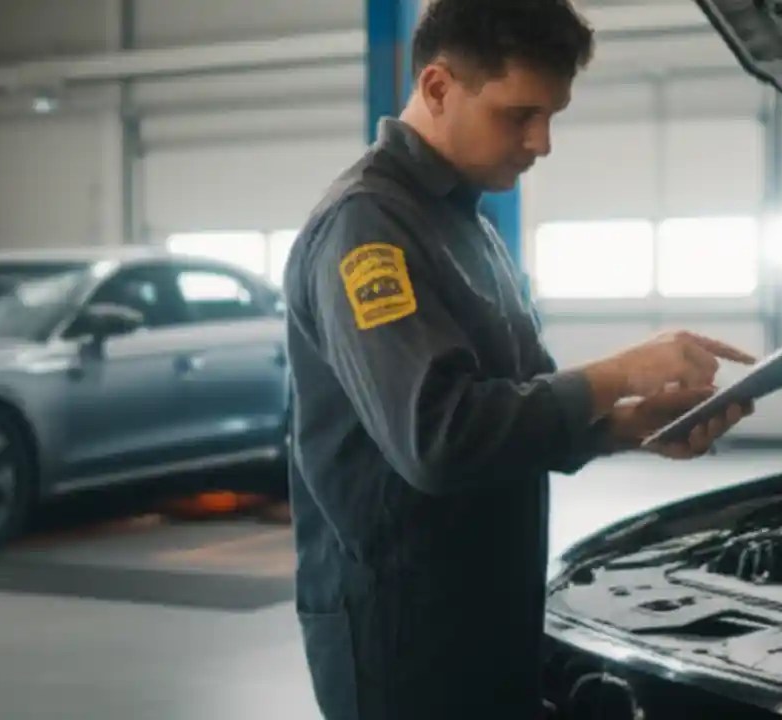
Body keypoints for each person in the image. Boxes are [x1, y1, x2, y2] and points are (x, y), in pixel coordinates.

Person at [281, 0, 756, 717]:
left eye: (552, 116)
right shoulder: (367, 227)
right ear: (439, 88)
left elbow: (516, 403)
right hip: (404, 636)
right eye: (519, 115)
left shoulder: (465, 224)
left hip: (483, 611)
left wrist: (628, 425)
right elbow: (439, 438)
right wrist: (622, 370)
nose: (541, 142)